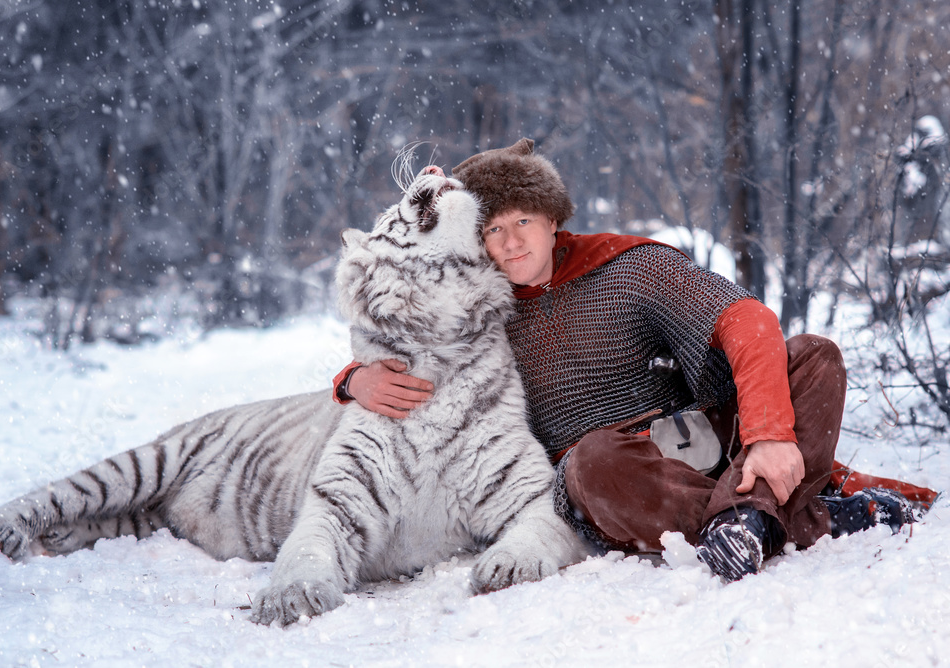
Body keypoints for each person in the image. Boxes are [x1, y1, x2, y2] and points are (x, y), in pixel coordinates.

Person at [332, 139, 931, 581]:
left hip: (712, 441)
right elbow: (396, 348)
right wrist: (353, 380)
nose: (511, 241)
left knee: (814, 356)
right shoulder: (469, 309)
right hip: (619, 475)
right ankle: (800, 517)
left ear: (551, 220)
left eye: (524, 222)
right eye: (491, 229)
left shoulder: (625, 267)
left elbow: (746, 320)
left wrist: (772, 433)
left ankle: (748, 519)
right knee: (592, 463)